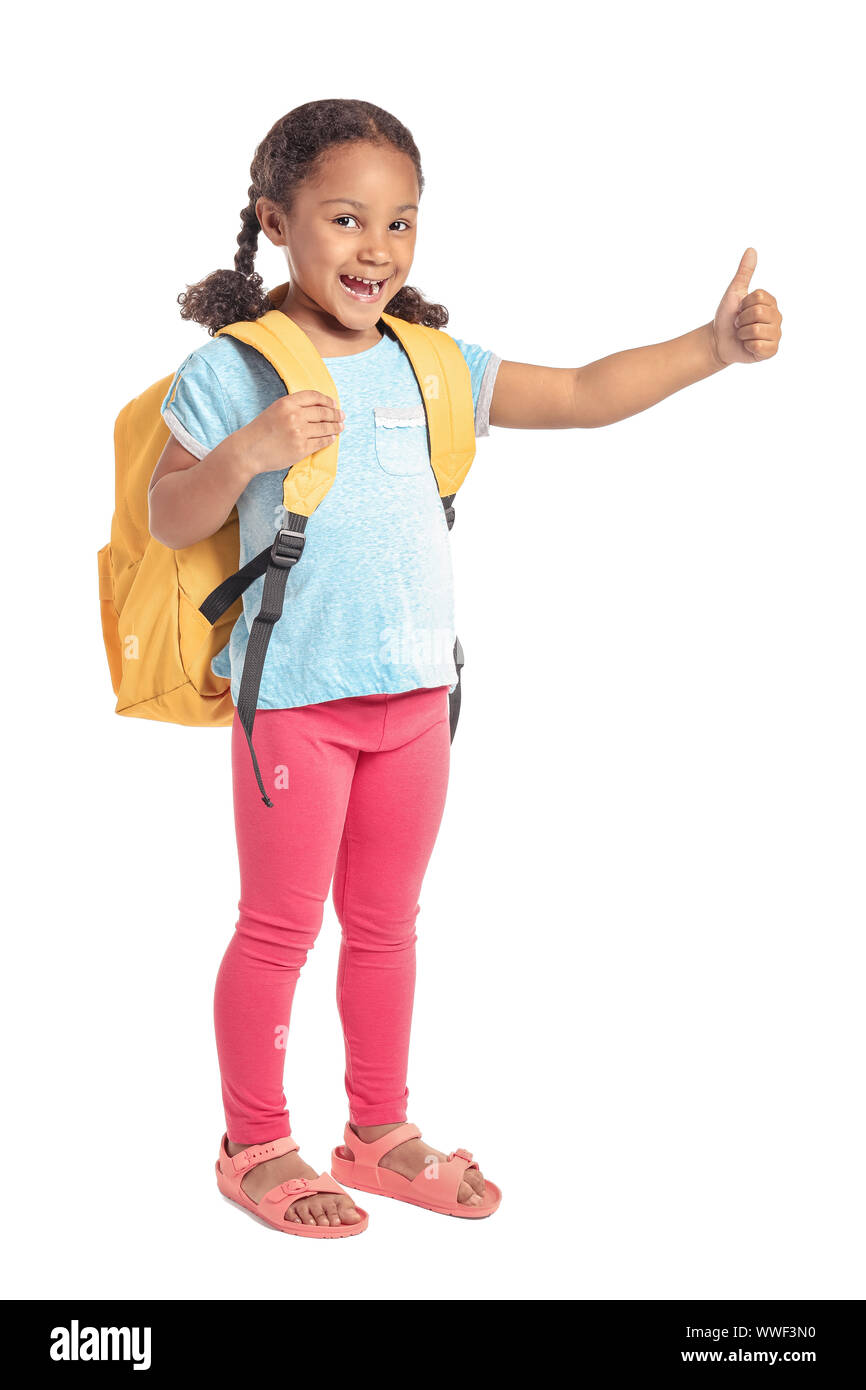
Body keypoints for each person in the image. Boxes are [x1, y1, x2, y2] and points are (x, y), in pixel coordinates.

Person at [148, 97, 782, 1237]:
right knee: (279, 926)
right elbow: (167, 513)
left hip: (415, 705)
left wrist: (709, 347)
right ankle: (252, 1144)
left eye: (400, 224)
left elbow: (583, 395)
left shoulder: (432, 365)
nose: (375, 249)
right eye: (345, 219)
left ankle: (378, 1132)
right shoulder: (237, 370)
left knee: (387, 924)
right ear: (275, 222)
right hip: (292, 703)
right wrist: (249, 449)